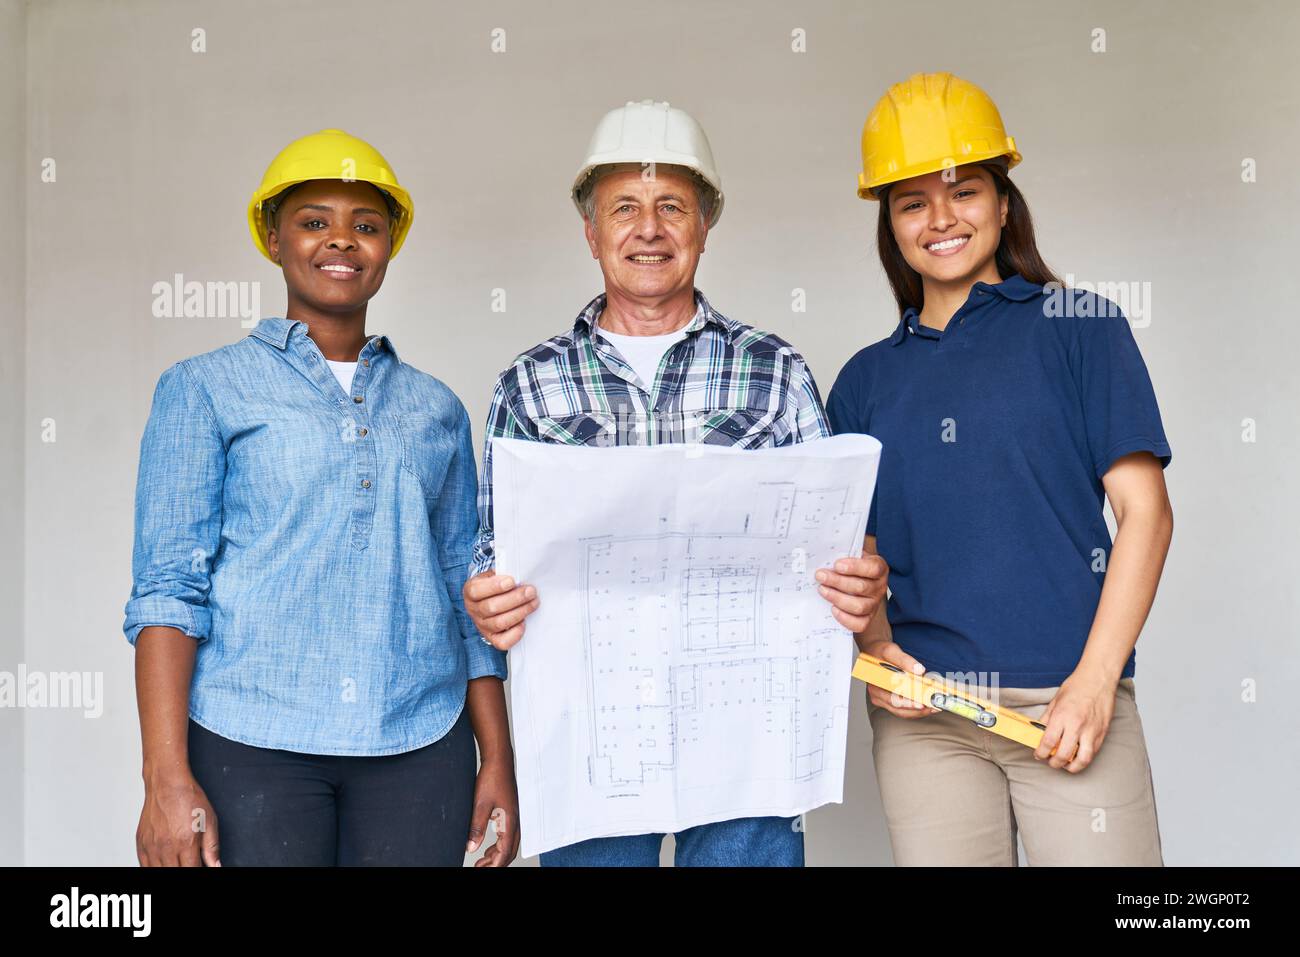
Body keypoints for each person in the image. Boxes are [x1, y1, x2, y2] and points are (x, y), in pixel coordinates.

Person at [463, 100, 889, 867]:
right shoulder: (529, 386)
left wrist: (861, 580)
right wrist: (484, 591)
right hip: (587, 747)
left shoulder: (777, 371)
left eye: (672, 207)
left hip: (748, 745)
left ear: (704, 225)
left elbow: (832, 543)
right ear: (591, 232)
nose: (649, 229)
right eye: (624, 208)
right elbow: (486, 551)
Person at [123, 129, 517, 867]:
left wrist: (497, 760)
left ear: (390, 244)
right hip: (250, 738)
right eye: (314, 220)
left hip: (420, 740)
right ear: (273, 238)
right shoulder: (204, 388)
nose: (341, 239)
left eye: (366, 224)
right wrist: (164, 777)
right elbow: (168, 593)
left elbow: (465, 597)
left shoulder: (435, 408)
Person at [828, 73, 1173, 866]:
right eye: (912, 201)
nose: (940, 218)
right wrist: (877, 646)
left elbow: (1147, 516)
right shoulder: (863, 383)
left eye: (964, 191)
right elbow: (855, 552)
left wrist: (1094, 682)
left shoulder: (1080, 331)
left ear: (1004, 202)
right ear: (890, 223)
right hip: (929, 725)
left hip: (1070, 701)